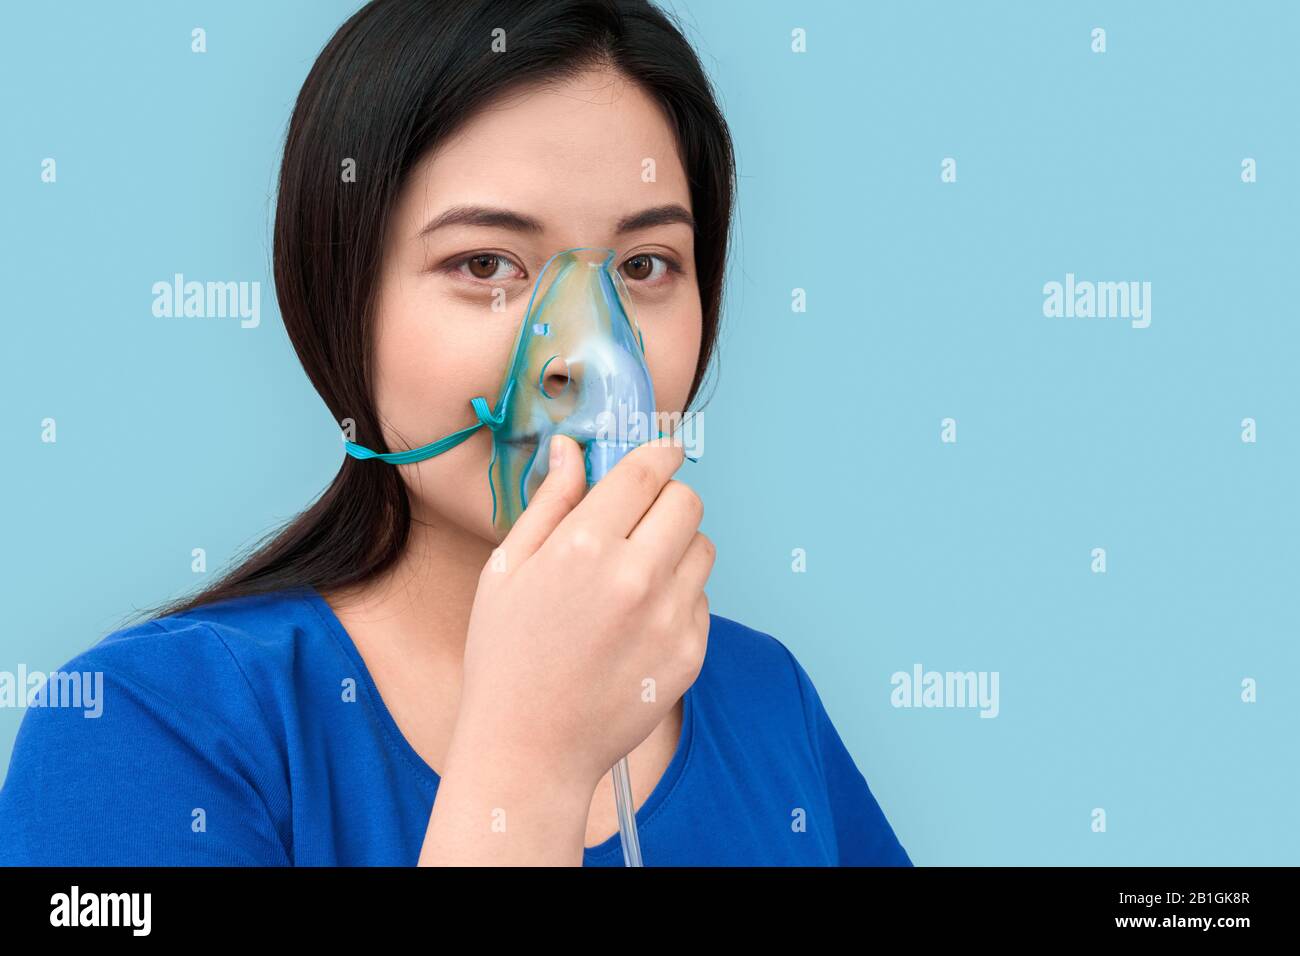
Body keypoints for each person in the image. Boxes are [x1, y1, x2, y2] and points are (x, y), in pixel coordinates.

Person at [0, 0, 911, 867]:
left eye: (643, 266)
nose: (582, 361)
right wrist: (532, 756)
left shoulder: (764, 699)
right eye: (486, 264)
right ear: (340, 298)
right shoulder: (146, 730)